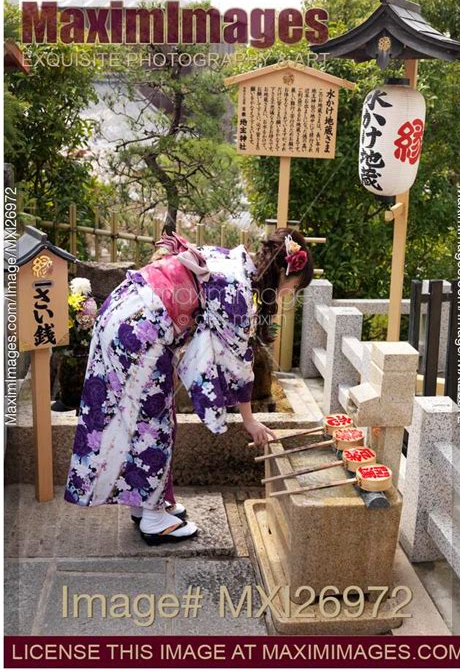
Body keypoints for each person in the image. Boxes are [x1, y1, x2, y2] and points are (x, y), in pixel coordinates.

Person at [64, 227, 314, 545]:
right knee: (152, 423)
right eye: (292, 287)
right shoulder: (236, 291)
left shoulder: (234, 259)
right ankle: (154, 518)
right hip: (139, 332)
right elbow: (238, 364)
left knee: (146, 418)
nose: (287, 295)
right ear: (283, 271)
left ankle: (146, 505)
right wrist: (249, 420)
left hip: (124, 313)